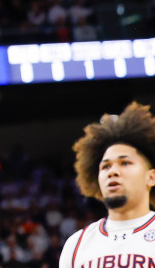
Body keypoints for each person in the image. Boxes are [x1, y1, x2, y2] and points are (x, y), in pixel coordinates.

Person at [59, 102, 155, 267]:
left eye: (125, 163)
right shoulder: (76, 245)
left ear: (151, 177)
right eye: (105, 166)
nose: (112, 172)